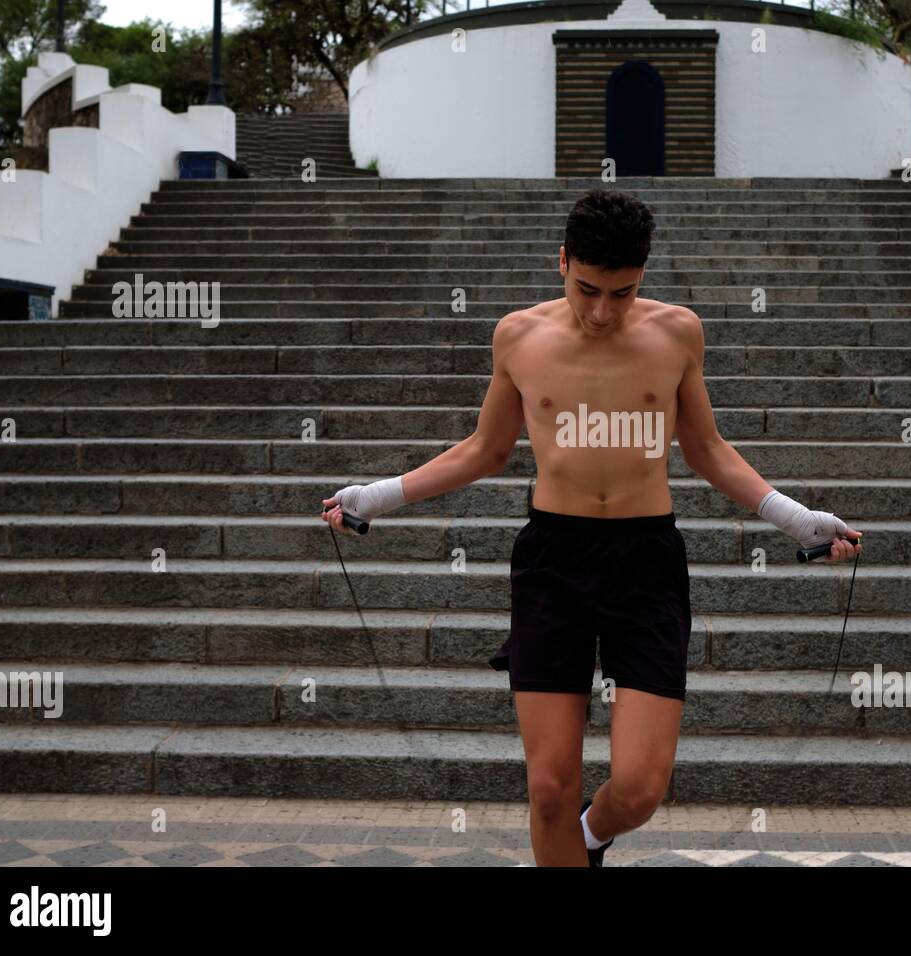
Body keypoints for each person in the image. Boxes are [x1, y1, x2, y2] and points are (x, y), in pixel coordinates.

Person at [322, 188, 862, 866]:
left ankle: (585, 839)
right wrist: (375, 497)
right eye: (588, 290)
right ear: (561, 263)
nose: (604, 311)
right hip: (554, 560)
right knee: (549, 786)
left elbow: (707, 450)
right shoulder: (519, 336)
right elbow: (485, 450)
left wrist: (797, 519)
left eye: (623, 293)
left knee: (637, 789)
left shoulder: (677, 334)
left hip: (646, 563)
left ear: (643, 276)